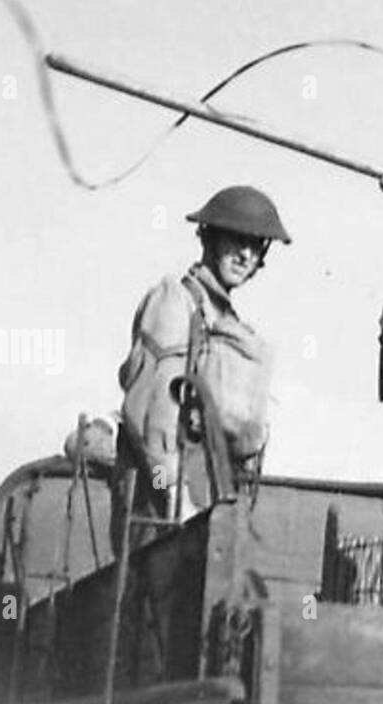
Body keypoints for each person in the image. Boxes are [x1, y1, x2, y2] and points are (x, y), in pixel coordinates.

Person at [110, 185, 291, 554]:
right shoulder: (175, 302)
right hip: (159, 511)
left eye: (256, 246)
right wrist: (172, 496)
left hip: (210, 499)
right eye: (236, 239)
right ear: (208, 237)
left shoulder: (227, 322)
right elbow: (149, 415)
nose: (245, 254)